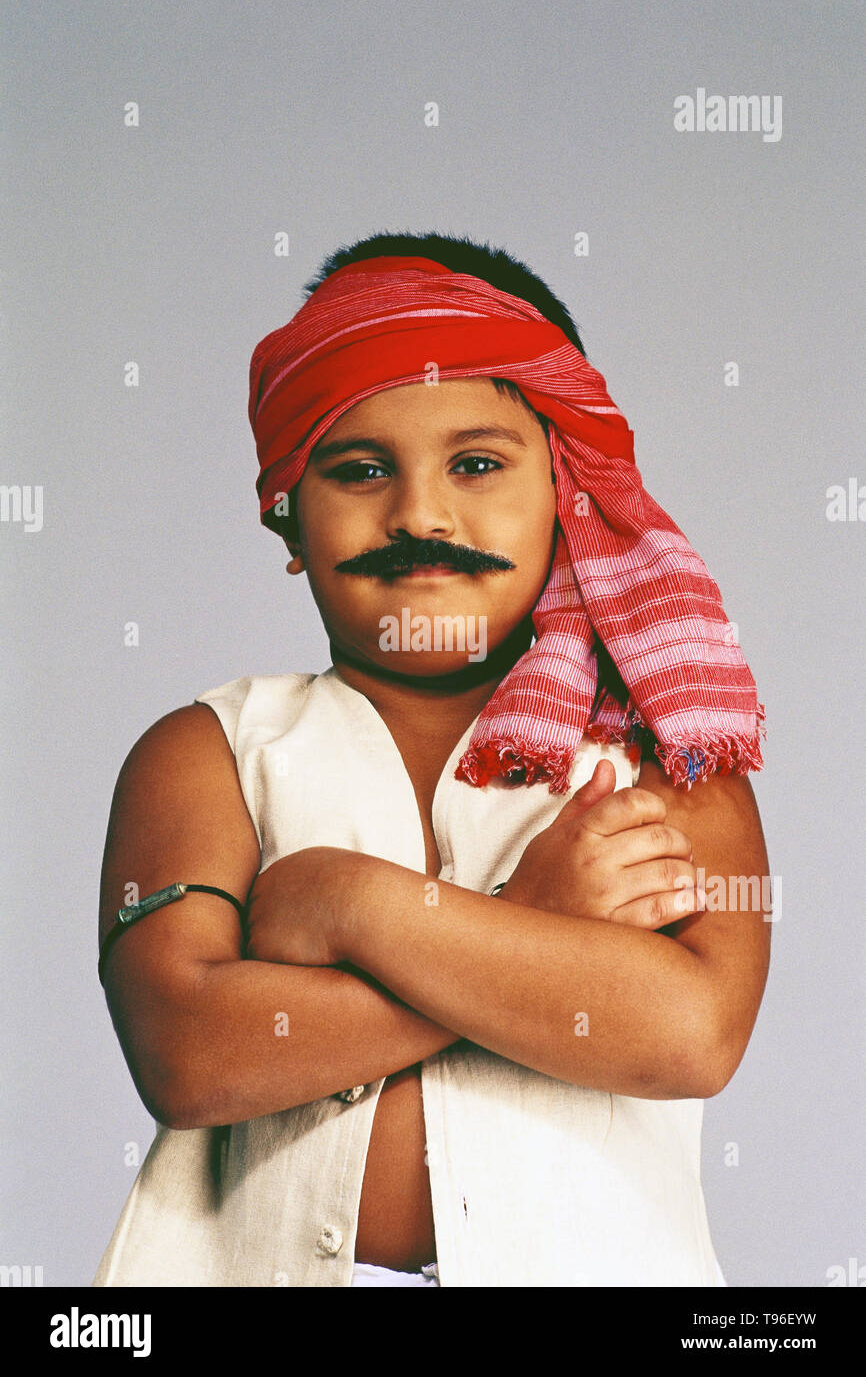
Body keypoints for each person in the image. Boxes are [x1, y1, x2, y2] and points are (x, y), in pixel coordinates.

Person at [93, 230, 771, 1287]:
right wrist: (535, 932)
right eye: (359, 469)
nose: (419, 512)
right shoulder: (210, 753)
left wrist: (352, 904)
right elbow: (188, 1051)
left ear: (568, 492)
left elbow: (688, 1033)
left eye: (476, 464)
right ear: (286, 512)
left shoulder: (658, 753)